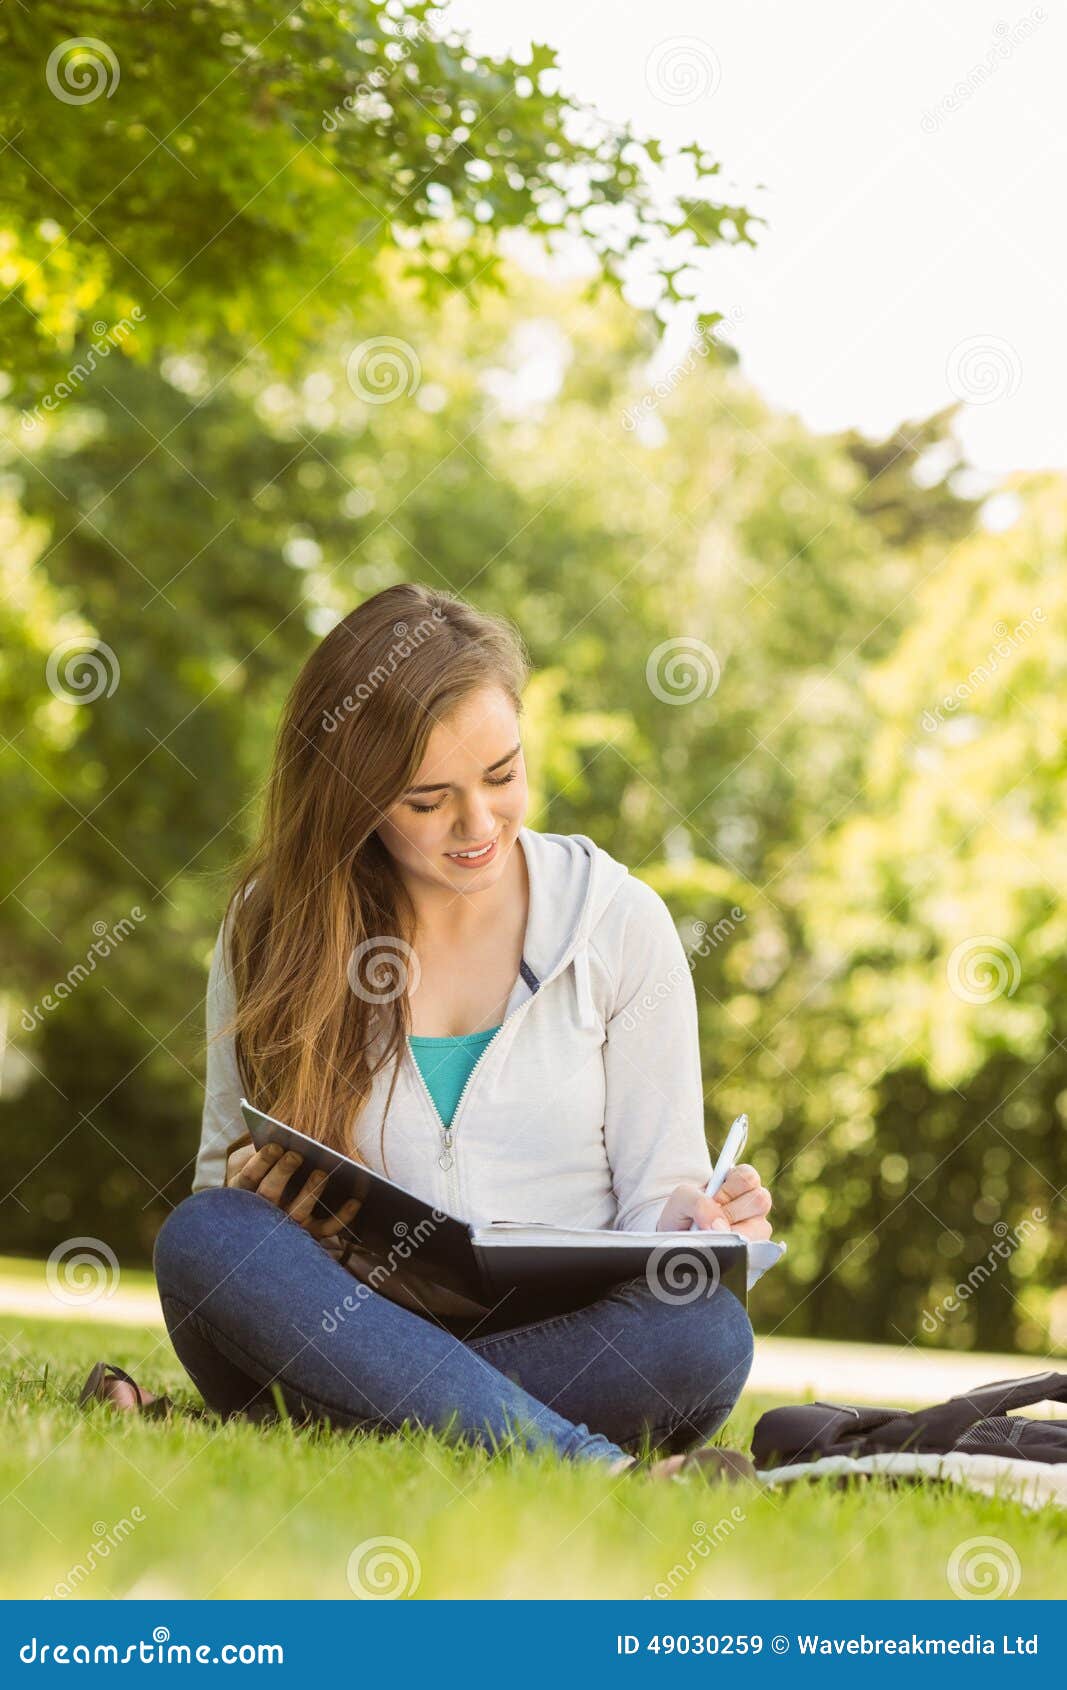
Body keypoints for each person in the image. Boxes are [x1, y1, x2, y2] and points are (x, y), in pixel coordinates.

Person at [139, 584, 773, 1479]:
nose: (479, 826)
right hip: (341, 1326)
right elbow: (221, 1179)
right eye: (426, 800)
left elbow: (655, 1198)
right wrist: (257, 1195)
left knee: (704, 1330)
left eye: (502, 777)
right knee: (209, 1237)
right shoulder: (270, 923)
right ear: (353, 797)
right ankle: (586, 1464)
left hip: (561, 1341)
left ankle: (351, 1418)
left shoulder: (619, 922)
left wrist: (695, 1225)